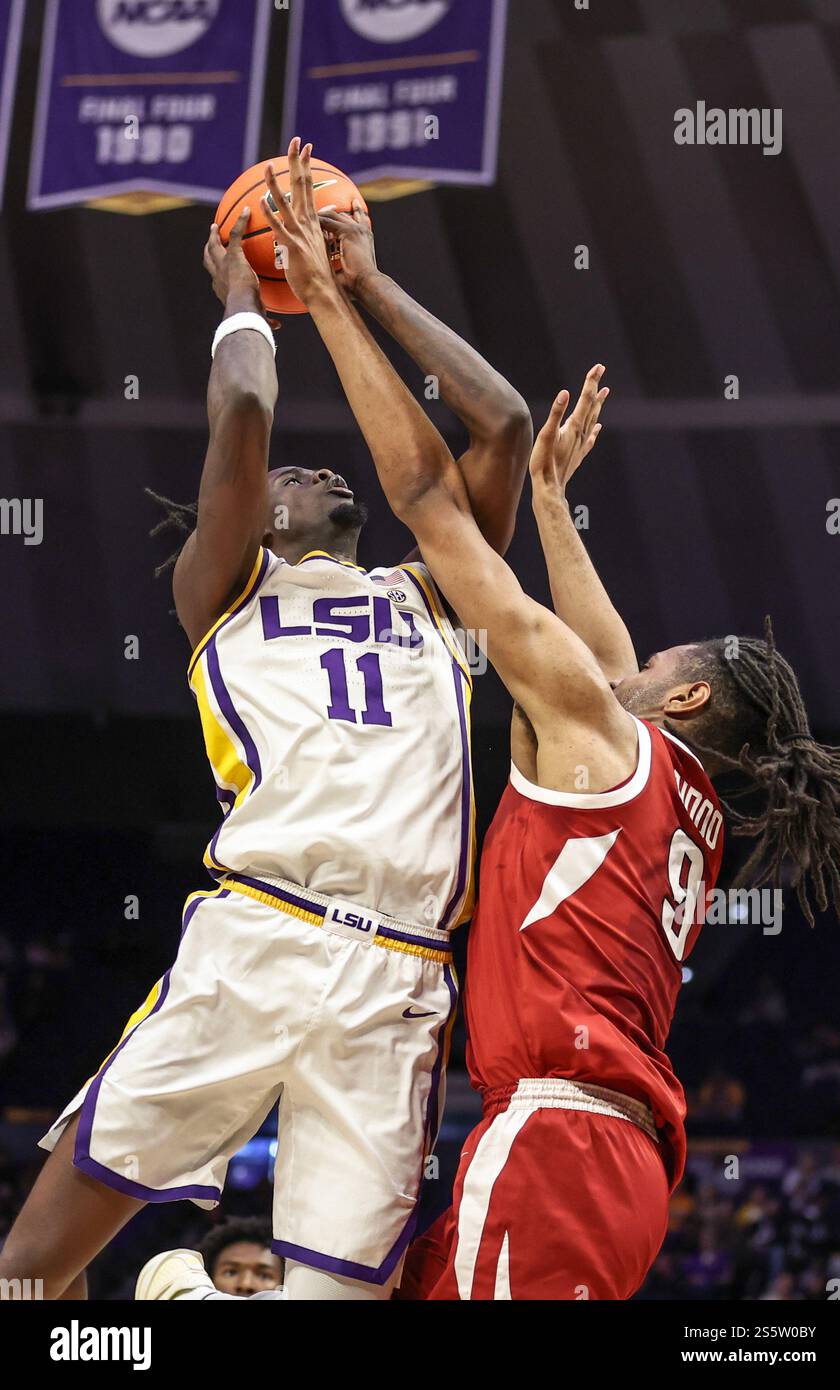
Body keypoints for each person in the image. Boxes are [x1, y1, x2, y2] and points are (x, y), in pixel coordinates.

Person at [258, 169, 840, 1297]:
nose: (640, 658)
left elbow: (430, 505)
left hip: (557, 1145)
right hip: (606, 1159)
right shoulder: (665, 786)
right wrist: (543, 497)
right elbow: (602, 655)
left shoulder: (602, 734)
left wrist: (343, 299)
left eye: (666, 658)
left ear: (681, 699)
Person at [0, 138, 531, 1304]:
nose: (314, 472)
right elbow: (242, 407)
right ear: (256, 515)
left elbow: (502, 429)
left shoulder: (432, 597)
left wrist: (363, 283)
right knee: (36, 1264)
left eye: (322, 473)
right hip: (260, 932)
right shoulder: (221, 590)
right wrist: (247, 284)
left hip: (399, 974)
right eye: (291, 475)